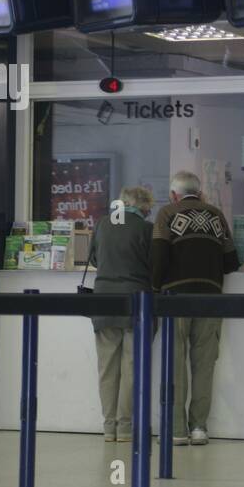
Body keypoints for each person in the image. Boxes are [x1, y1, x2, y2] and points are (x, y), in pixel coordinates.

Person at [151, 170, 240, 446]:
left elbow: (157, 258)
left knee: (175, 363)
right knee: (204, 364)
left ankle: (177, 430)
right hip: (211, 297)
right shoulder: (216, 214)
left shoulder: (167, 213)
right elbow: (231, 261)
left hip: (176, 296)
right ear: (200, 193)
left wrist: (156, 288)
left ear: (174, 195)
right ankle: (199, 427)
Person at [88, 186, 154, 443]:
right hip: (135, 301)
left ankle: (108, 427)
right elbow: (154, 265)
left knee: (106, 368)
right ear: (143, 207)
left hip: (103, 300)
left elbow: (94, 259)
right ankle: (125, 428)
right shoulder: (146, 229)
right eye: (148, 208)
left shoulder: (103, 224)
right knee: (131, 366)